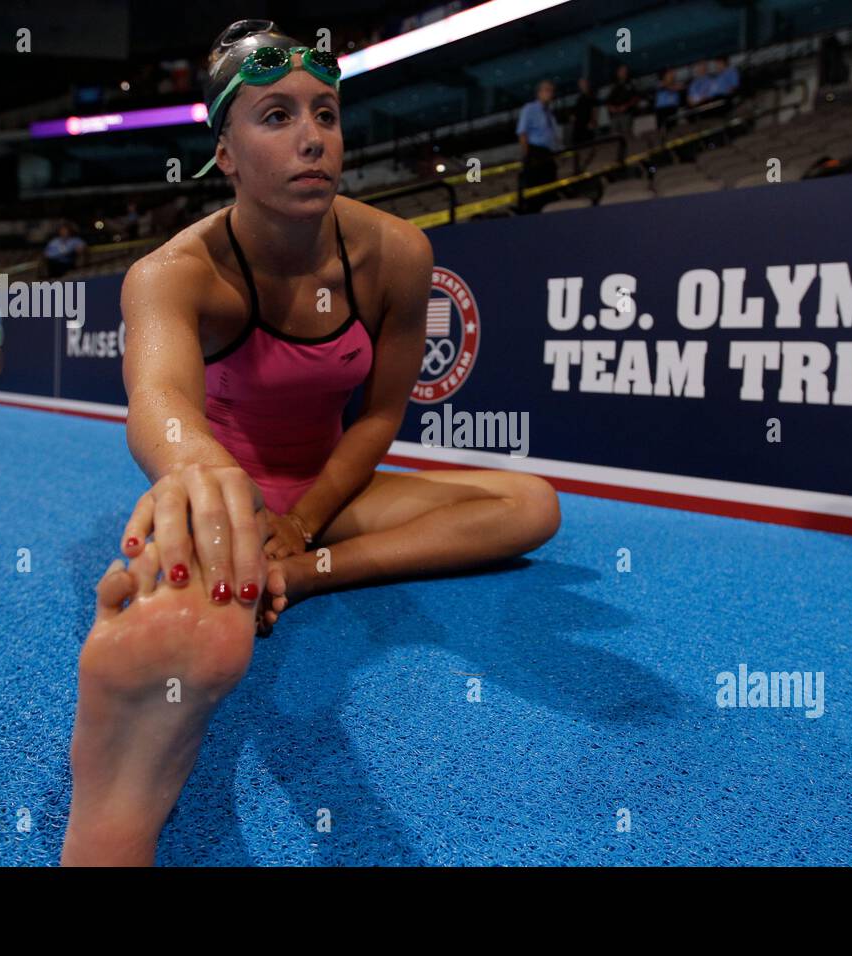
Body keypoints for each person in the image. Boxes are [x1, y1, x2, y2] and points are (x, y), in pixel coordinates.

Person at [62, 19, 561, 866]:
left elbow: (376, 418)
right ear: (225, 153)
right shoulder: (175, 273)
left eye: (325, 115)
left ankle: (285, 582)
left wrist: (304, 536)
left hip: (325, 501)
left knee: (531, 504)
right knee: (185, 581)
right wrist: (201, 472)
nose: (311, 139)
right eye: (277, 117)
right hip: (227, 492)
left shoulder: (396, 253)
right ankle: (117, 811)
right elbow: (158, 399)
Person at [516, 79, 562, 212]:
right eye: (547, 90)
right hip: (535, 153)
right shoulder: (530, 109)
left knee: (549, 187)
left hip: (548, 153)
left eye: (552, 91)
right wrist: (526, 155)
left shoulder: (549, 113)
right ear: (539, 92)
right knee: (535, 191)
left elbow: (553, 136)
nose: (550, 94)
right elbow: (522, 132)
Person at [569, 77, 598, 175]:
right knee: (577, 149)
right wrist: (573, 116)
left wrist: (593, 121)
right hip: (578, 126)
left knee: (589, 148)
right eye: (580, 83)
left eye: (584, 83)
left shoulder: (591, 95)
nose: (582, 85)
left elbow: (594, 109)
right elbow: (577, 110)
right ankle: (578, 170)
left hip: (587, 125)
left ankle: (588, 167)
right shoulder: (579, 97)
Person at [605, 63, 640, 140]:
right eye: (622, 71)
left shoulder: (631, 83)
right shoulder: (613, 85)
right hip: (614, 114)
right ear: (618, 72)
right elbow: (608, 100)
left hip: (626, 113)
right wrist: (611, 107)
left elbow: (636, 97)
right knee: (615, 136)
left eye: (625, 71)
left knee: (626, 134)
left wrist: (626, 106)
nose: (623, 73)